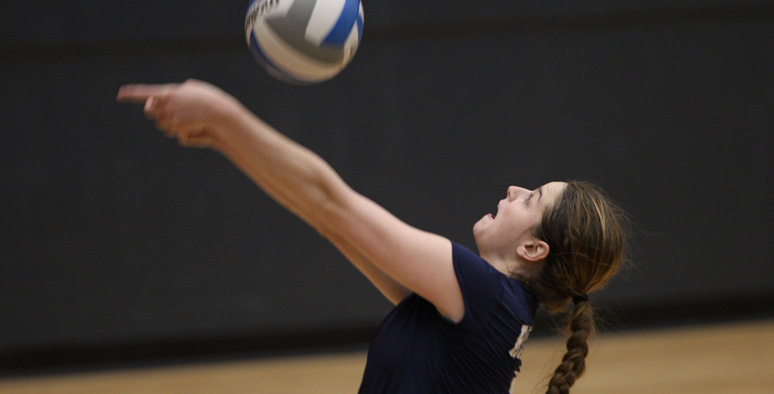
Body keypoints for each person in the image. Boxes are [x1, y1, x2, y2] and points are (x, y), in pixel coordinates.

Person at [117, 79, 629, 394]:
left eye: (532, 198)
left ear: (532, 249)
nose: (515, 188)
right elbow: (325, 218)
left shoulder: (484, 296)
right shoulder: (485, 309)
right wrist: (225, 139)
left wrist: (224, 113)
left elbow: (332, 203)